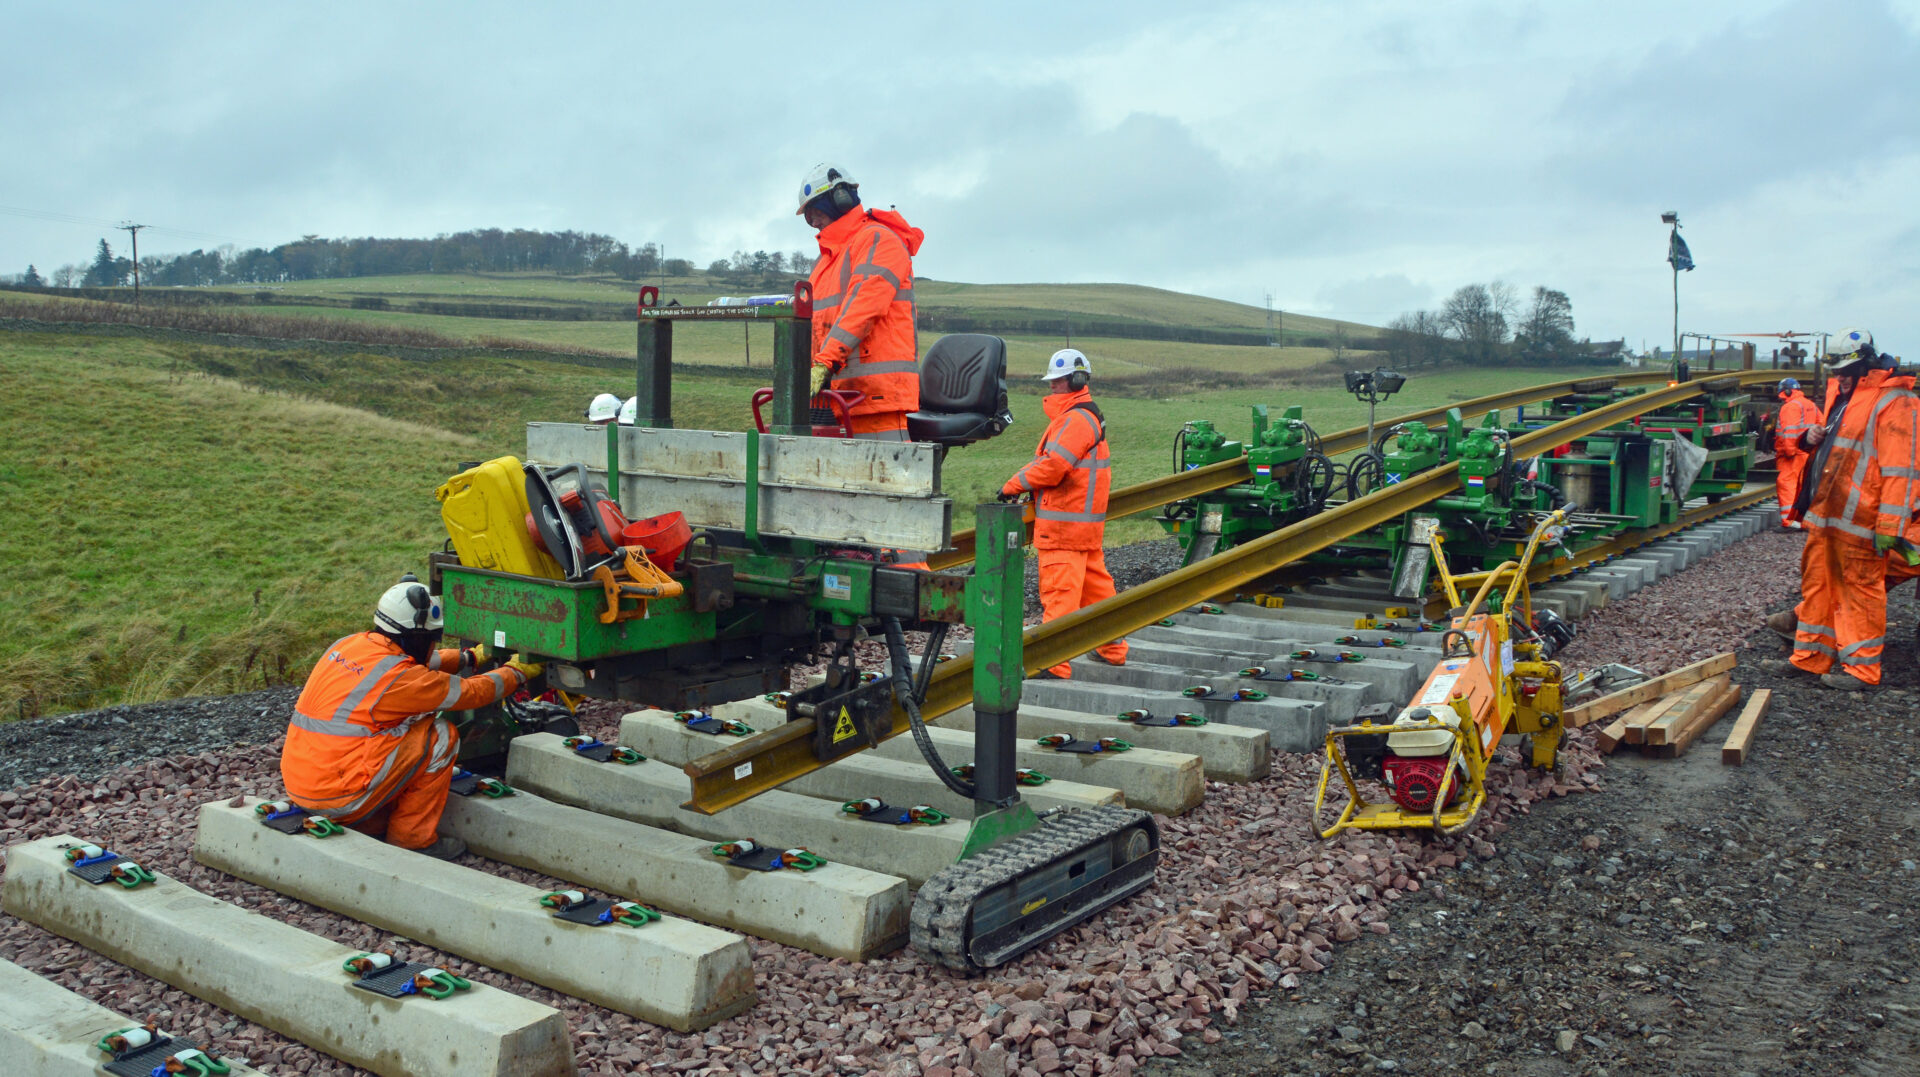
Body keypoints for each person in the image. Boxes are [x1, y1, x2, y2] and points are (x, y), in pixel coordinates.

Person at [280, 576, 542, 857]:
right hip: (338, 793)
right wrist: (518, 671)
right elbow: (472, 692)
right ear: (416, 638)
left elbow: (417, 663)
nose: (432, 645)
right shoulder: (402, 678)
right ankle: (412, 840)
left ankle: (370, 816)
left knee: (397, 730)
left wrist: (469, 658)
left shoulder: (350, 645)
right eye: (431, 639)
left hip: (303, 782)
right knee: (439, 736)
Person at [1760, 329, 1918, 691]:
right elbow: (1838, 451)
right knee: (1818, 589)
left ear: (1866, 364)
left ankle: (1862, 671)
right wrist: (1809, 438)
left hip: (1862, 519)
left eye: (1845, 370)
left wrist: (1890, 524)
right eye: (1836, 371)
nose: (1839, 377)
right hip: (1828, 515)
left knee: (1859, 592)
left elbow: (1901, 471)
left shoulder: (1896, 401)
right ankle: (1809, 659)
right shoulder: (1846, 396)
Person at [999, 349, 1127, 678]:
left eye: (1057, 382)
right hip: (1082, 527)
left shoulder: (1074, 420)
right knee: (1097, 594)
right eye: (1051, 382)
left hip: (1062, 528)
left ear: (1076, 380)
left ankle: (1053, 664)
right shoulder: (1082, 415)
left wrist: (1013, 484)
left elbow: (1054, 466)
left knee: (1059, 594)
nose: (1052, 387)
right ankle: (1113, 650)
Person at [798, 163, 925, 443]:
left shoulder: (878, 240)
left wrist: (824, 364)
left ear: (839, 200)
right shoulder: (825, 261)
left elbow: (863, 307)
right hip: (835, 400)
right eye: (808, 218)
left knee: (885, 484)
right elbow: (812, 324)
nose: (814, 223)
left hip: (877, 400)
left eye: (816, 213)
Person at [1772, 377, 1820, 528]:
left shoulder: (1790, 406)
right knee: (1802, 486)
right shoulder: (1810, 405)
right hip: (1807, 452)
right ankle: (1803, 520)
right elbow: (1821, 426)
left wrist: (1789, 451)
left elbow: (1790, 431)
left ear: (1785, 391)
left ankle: (1790, 521)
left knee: (1786, 484)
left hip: (1793, 454)